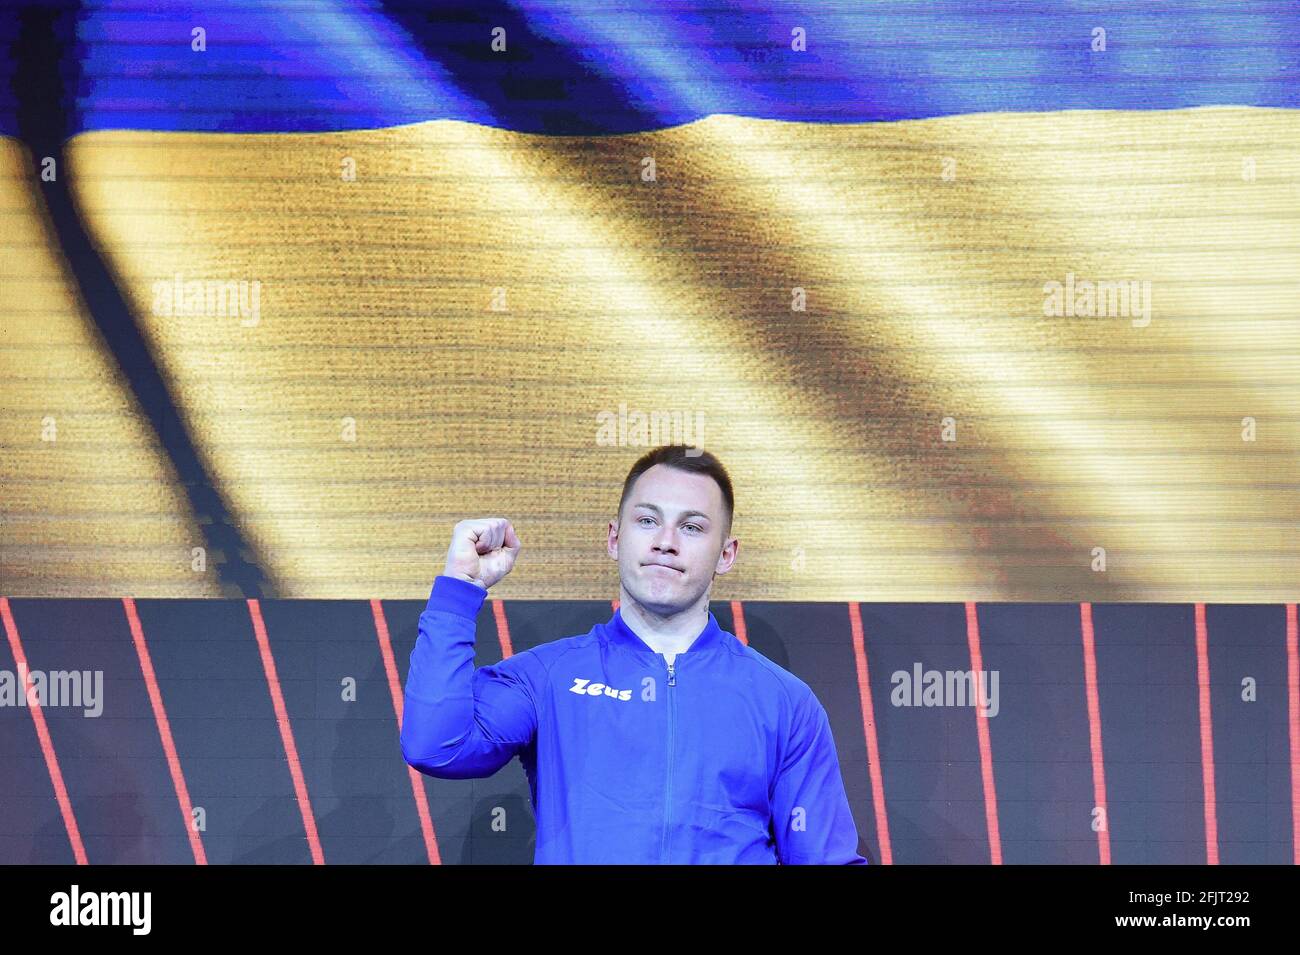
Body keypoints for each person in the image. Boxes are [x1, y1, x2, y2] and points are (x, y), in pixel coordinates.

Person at [400, 444, 868, 864]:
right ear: (613, 538)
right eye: (647, 520)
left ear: (726, 554)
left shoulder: (785, 701)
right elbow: (436, 747)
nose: (666, 541)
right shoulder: (547, 677)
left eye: (691, 526)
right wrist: (459, 590)